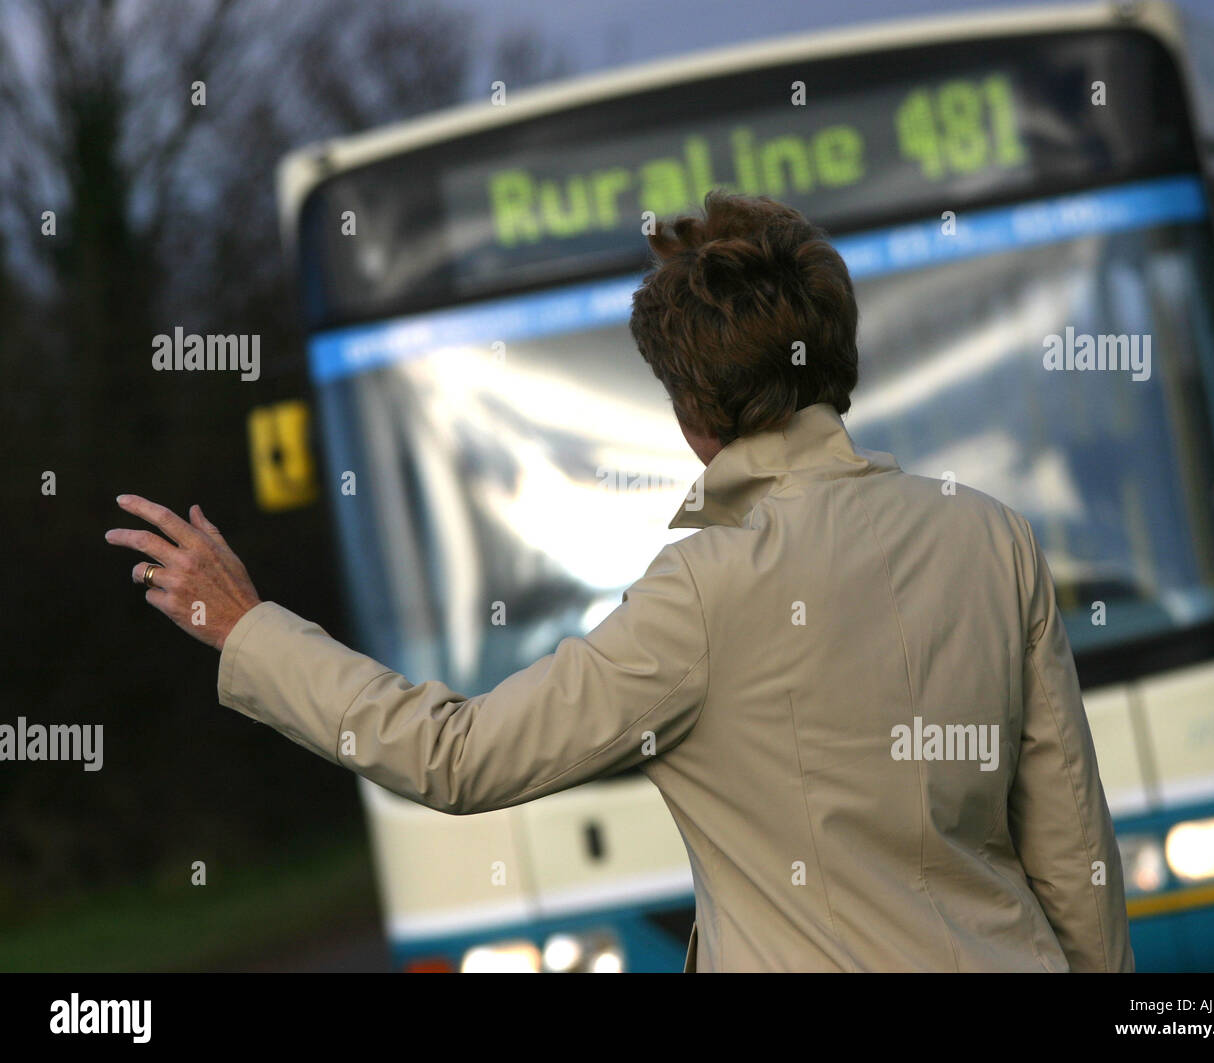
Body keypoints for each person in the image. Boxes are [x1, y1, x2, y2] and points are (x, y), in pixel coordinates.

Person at [106, 191, 1134, 972]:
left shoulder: (705, 590)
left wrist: (250, 629)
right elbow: (1073, 852)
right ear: (833, 356)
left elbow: (456, 757)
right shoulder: (991, 536)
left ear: (693, 408)